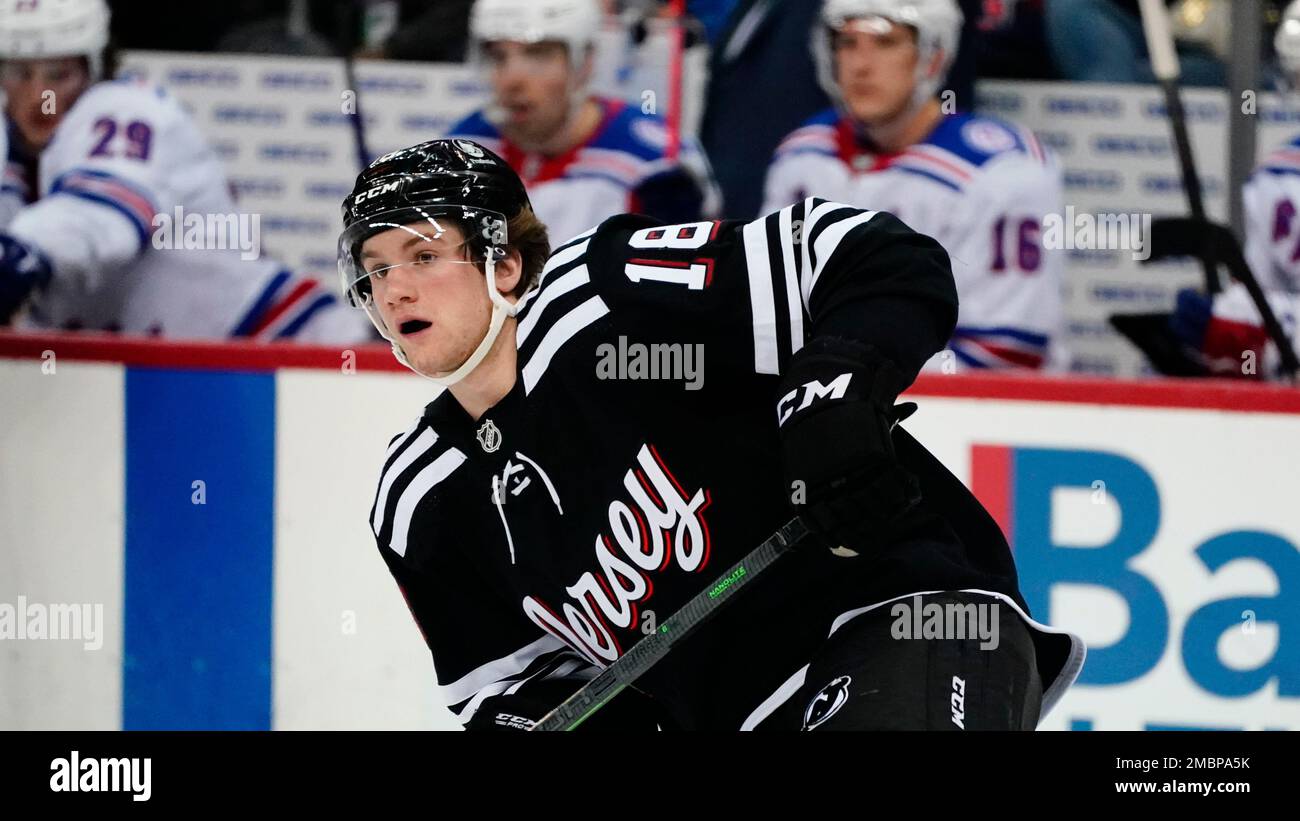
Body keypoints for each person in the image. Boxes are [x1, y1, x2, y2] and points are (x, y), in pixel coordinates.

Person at [340, 138, 1084, 730]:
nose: (393, 289)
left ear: (503, 263)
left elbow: (872, 255)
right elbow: (515, 686)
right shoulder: (419, 500)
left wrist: (837, 395)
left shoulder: (603, 299)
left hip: (903, 614)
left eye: (424, 256)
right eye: (374, 271)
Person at [0, 0, 369, 342]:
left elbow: (96, 219)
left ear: (94, 67)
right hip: (144, 367)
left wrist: (18, 257)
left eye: (58, 74)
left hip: (267, 348)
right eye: (17, 73)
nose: (38, 96)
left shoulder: (126, 109)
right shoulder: (9, 146)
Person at [762, 0, 1066, 372]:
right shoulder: (802, 157)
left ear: (934, 58)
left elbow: (1005, 352)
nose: (861, 65)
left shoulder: (1002, 172)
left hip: (966, 416)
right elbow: (769, 311)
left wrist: (848, 379)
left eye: (886, 43)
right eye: (846, 43)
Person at [446, 0, 720, 246]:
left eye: (539, 55)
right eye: (497, 56)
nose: (512, 79)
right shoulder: (464, 148)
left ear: (584, 62)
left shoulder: (651, 160)